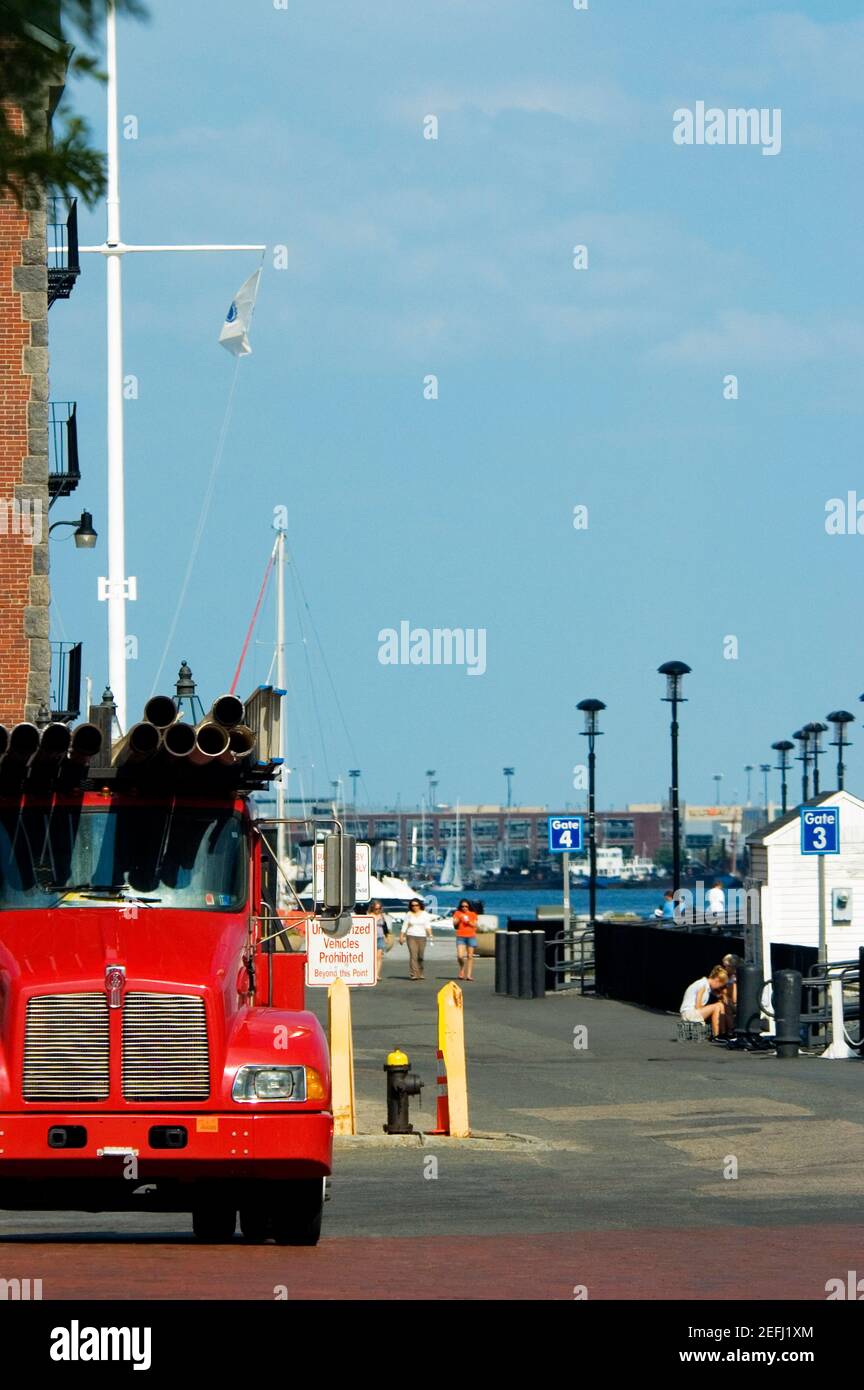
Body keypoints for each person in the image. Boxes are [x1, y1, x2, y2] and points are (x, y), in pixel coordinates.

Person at [680, 965, 730, 1038]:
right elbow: (698, 1006)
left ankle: (722, 1033)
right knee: (717, 1006)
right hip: (688, 1014)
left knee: (720, 1005)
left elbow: (717, 994)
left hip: (691, 1013)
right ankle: (717, 1035)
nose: (719, 988)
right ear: (717, 980)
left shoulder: (706, 985)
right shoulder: (702, 985)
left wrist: (722, 995)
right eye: (720, 986)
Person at [400, 897, 433, 980]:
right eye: (413, 905)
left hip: (422, 936)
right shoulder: (409, 914)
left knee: (420, 956)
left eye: (416, 905)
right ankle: (414, 973)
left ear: (420, 905)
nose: (415, 907)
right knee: (413, 955)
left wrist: (430, 934)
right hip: (411, 936)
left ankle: (420, 972)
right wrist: (401, 936)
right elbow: (405, 925)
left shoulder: (425, 914)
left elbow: (427, 925)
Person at [452, 898, 478, 981]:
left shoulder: (473, 914)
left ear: (469, 906)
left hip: (471, 936)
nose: (464, 908)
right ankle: (462, 968)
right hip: (461, 936)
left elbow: (475, 924)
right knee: (460, 956)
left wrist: (468, 921)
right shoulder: (457, 913)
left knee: (470, 956)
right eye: (462, 906)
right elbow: (454, 924)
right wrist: (459, 918)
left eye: (466, 906)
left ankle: (469, 975)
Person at [370, 899, 389, 978]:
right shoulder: (369, 915)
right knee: (372, 956)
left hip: (380, 937)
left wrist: (386, 937)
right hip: (371, 937)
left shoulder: (382, 915)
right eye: (376, 908)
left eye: (379, 908)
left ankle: (377, 974)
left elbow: (385, 927)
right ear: (373, 908)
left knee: (379, 956)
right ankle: (372, 973)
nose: (378, 910)